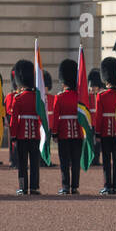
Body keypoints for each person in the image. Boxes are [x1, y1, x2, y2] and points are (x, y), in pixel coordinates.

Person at [7, 59, 40, 195]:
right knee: (34, 163)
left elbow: (14, 120)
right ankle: (33, 187)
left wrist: (13, 135)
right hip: (35, 134)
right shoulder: (37, 97)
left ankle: (22, 187)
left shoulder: (18, 98)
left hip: (21, 134)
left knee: (22, 163)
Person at [52, 59, 84, 196]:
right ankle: (75, 186)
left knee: (64, 162)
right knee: (76, 161)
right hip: (78, 132)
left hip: (64, 132)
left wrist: (54, 132)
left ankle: (65, 186)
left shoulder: (59, 97)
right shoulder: (80, 97)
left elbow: (55, 116)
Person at [94, 57, 116, 195]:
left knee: (106, 160)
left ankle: (107, 185)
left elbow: (99, 116)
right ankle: (115, 186)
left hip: (105, 131)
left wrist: (97, 132)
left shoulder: (101, 95)